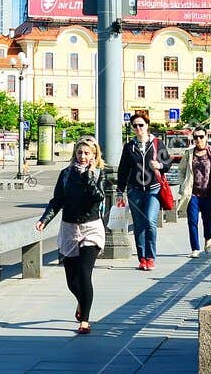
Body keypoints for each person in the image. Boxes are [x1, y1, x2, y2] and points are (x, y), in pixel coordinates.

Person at [36, 137, 106, 334]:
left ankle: (85, 320)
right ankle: (81, 300)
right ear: (75, 153)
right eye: (79, 153)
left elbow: (97, 197)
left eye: (87, 153)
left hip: (91, 227)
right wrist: (45, 219)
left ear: (94, 156)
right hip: (69, 228)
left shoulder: (99, 173)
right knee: (71, 281)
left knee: (84, 275)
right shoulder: (66, 174)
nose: (82, 157)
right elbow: (57, 201)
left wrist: (90, 176)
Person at [116, 112, 169, 270]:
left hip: (153, 189)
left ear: (147, 126)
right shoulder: (129, 146)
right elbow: (123, 170)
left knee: (150, 222)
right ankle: (142, 258)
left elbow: (167, 162)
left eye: (141, 125)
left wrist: (159, 165)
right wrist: (120, 191)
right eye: (135, 126)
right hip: (135, 190)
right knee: (139, 225)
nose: (138, 128)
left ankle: (151, 257)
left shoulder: (157, 143)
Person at [179, 128, 211, 257]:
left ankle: (208, 238)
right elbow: (181, 169)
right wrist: (182, 185)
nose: (198, 140)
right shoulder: (189, 153)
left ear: (206, 137)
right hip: (192, 193)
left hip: (208, 193)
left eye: (201, 136)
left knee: (208, 220)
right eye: (195, 137)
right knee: (192, 220)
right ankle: (195, 248)